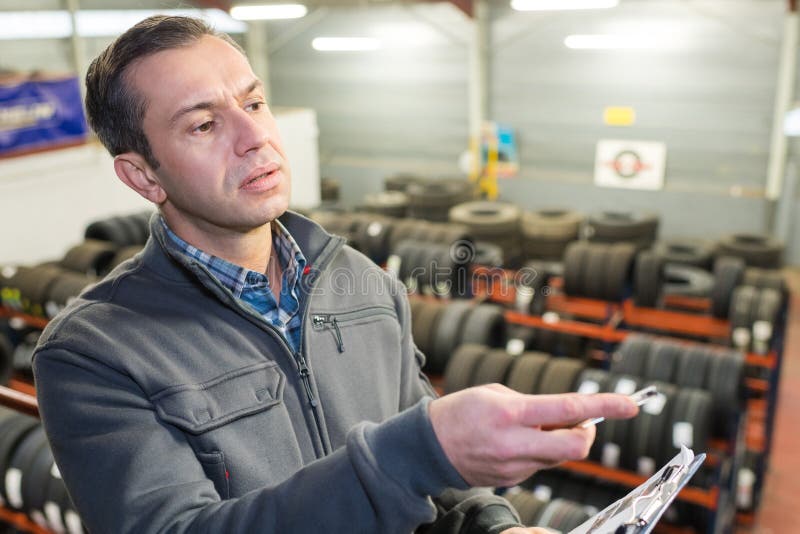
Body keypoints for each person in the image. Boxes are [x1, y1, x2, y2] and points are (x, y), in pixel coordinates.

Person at [32, 15, 637, 534]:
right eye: (204, 124)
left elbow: (441, 484)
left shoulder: (362, 283)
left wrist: (494, 525)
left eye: (253, 102)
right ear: (143, 177)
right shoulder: (94, 354)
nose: (255, 138)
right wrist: (412, 453)